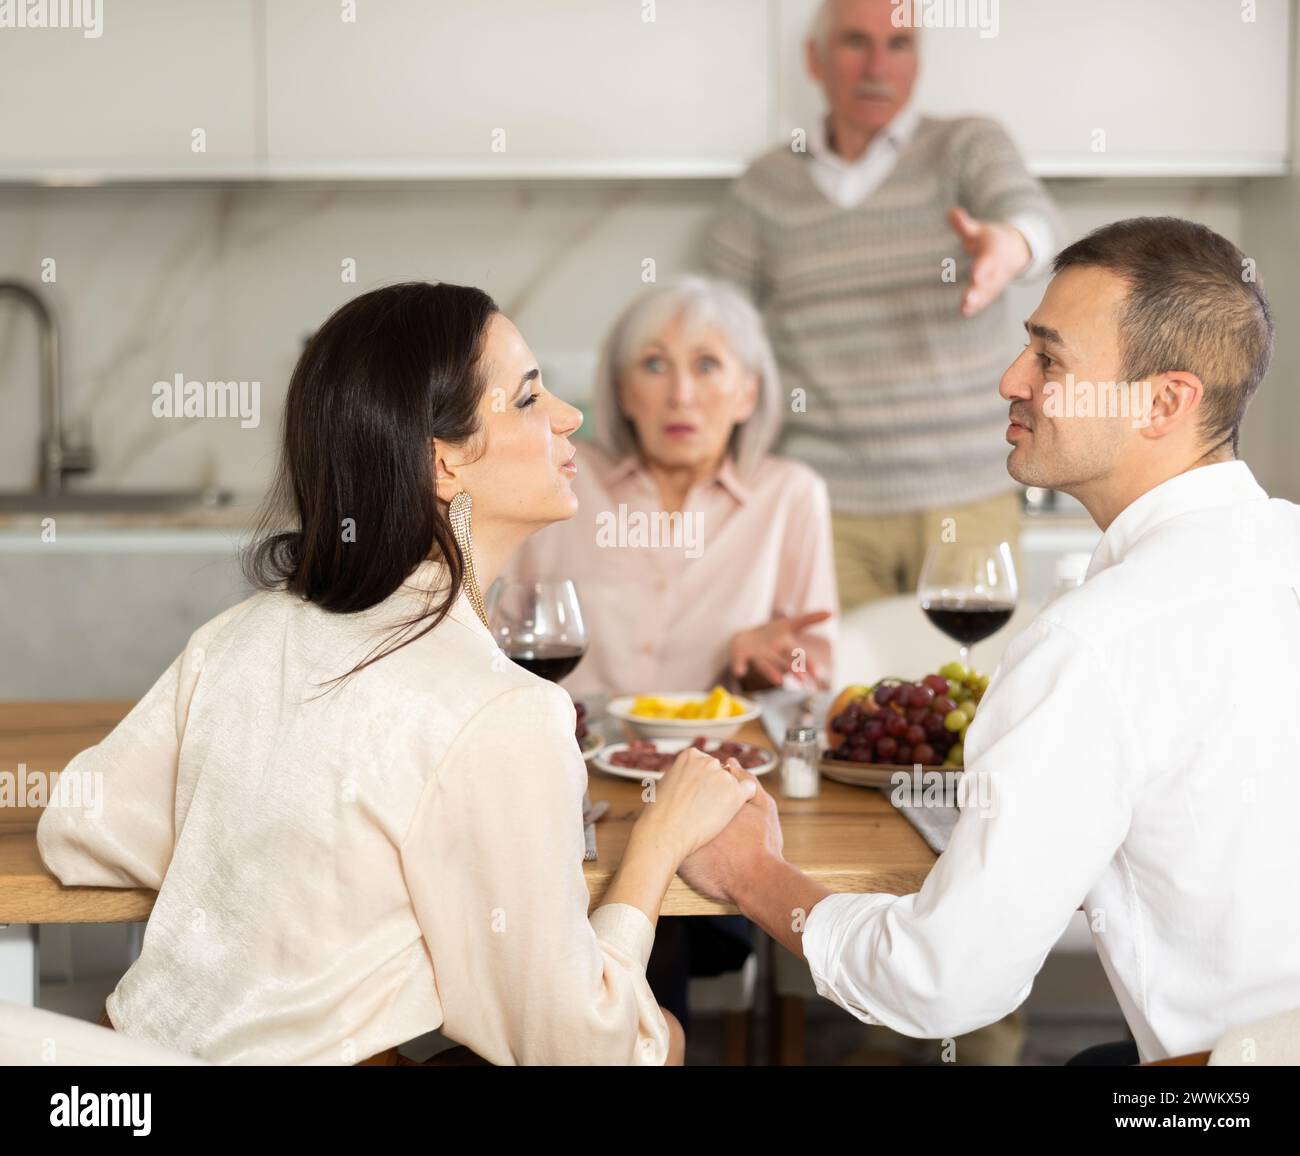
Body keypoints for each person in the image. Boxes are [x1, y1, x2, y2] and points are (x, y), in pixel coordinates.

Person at [36, 282, 758, 1066]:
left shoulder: (241, 636)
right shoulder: (504, 710)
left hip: (127, 1078)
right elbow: (583, 1050)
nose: (569, 416)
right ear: (442, 461)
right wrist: (657, 844)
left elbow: (81, 830)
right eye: (526, 399)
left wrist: (293, 870)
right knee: (665, 1041)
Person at [679, 216, 1300, 1064]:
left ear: (1165, 401)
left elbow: (942, 983)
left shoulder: (1093, 642)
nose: (1011, 379)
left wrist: (748, 874)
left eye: (1050, 359)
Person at [507, 276, 838, 1031]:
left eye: (708, 366)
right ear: (621, 389)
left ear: (749, 392)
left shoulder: (791, 496)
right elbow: (499, 642)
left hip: (713, 809)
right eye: (654, 365)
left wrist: (766, 661)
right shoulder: (562, 481)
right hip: (566, 796)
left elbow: (812, 688)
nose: (680, 394)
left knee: (657, 917)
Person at [704, 0, 1064, 611]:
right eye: (855, 43)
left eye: (899, 45)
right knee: (844, 697)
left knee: (970, 695)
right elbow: (720, 334)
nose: (878, 65)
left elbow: (1035, 216)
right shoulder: (765, 187)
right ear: (815, 60)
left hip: (967, 498)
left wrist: (1011, 245)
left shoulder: (964, 147)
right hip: (827, 508)